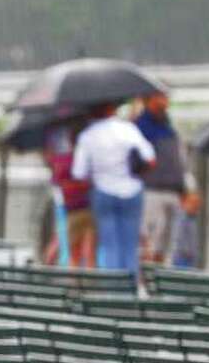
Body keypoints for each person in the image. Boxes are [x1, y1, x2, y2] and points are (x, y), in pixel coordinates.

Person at [71, 103, 156, 277]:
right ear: (112, 109)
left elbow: (79, 173)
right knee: (130, 245)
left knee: (110, 244)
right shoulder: (128, 129)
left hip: (104, 191)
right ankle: (131, 284)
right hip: (132, 190)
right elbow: (150, 158)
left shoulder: (88, 136)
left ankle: (114, 286)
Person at [135, 93, 192, 265]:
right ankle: (145, 278)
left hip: (172, 192)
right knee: (149, 243)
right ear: (147, 100)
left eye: (165, 97)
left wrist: (184, 190)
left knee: (167, 246)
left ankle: (159, 276)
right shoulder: (139, 128)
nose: (164, 101)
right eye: (160, 97)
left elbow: (179, 162)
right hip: (151, 191)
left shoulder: (168, 128)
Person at [43, 120, 95, 267]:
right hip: (82, 208)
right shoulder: (84, 160)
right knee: (87, 252)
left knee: (75, 251)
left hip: (73, 209)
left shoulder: (62, 160)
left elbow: (58, 181)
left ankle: (49, 270)